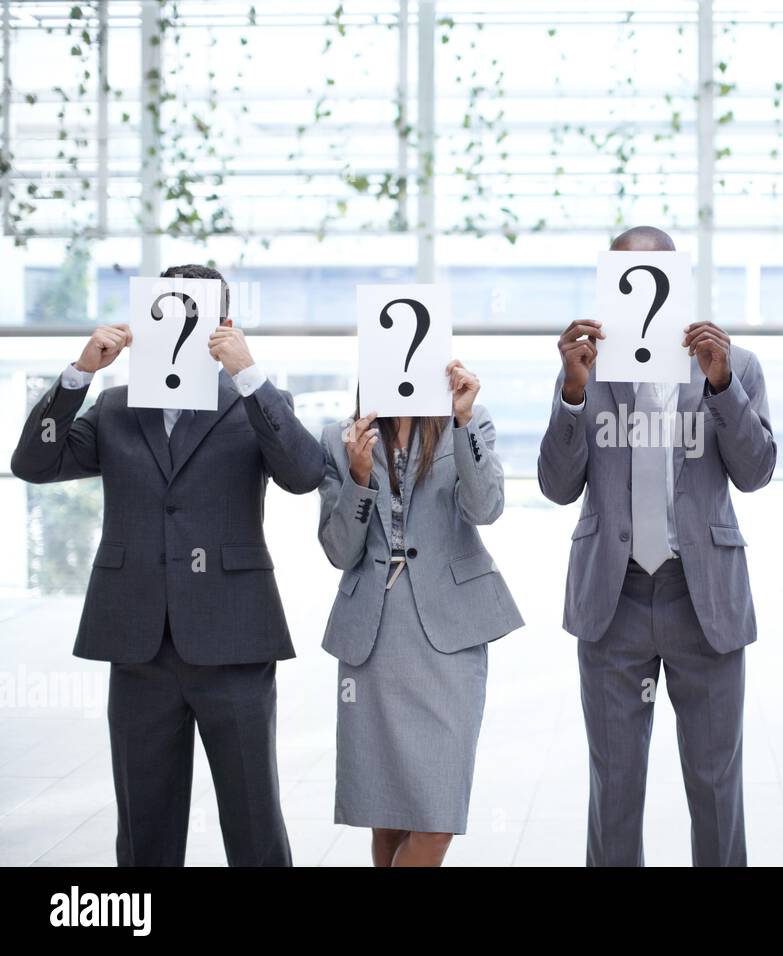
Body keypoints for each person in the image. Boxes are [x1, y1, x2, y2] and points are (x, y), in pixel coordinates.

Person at [10, 264, 324, 866]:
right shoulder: (115, 405)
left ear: (221, 322)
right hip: (137, 640)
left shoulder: (257, 400)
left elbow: (304, 474)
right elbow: (33, 462)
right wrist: (80, 373)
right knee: (144, 827)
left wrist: (249, 374)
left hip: (234, 638)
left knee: (254, 819)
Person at [537, 225, 778, 866]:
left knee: (715, 782)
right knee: (614, 785)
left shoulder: (733, 363)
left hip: (703, 599)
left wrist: (722, 384)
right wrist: (572, 392)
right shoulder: (584, 371)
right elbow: (557, 487)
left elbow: (755, 473)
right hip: (612, 599)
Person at [317, 360, 522, 867]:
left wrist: (463, 420)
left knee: (434, 824)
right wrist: (360, 480)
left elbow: (487, 507)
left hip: (450, 639)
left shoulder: (470, 424)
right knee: (386, 816)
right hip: (375, 640)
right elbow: (341, 551)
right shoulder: (341, 438)